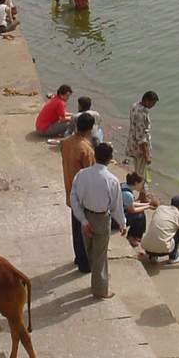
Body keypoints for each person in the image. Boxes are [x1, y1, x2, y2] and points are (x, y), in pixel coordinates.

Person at [70, 141, 126, 300]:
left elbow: (74, 198)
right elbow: (116, 206)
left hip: (85, 216)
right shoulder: (112, 180)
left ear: (94, 155)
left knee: (91, 253)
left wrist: (83, 221)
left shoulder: (82, 175)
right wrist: (122, 224)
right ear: (110, 159)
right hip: (101, 218)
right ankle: (100, 290)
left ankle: (97, 282)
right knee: (100, 255)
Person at [60, 111, 96, 272]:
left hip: (70, 191)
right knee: (85, 230)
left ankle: (78, 257)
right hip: (84, 196)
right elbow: (90, 175)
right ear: (90, 129)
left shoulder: (66, 143)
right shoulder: (86, 149)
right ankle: (84, 262)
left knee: (76, 228)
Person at [142, 196, 179, 262]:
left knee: (159, 226)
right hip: (163, 251)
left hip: (146, 247)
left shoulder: (160, 208)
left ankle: (153, 256)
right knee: (178, 229)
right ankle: (173, 257)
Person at [126, 91, 158, 179]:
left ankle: (139, 188)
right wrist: (147, 155)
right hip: (140, 149)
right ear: (147, 101)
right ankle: (140, 190)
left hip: (133, 143)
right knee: (141, 175)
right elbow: (141, 137)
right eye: (153, 103)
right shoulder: (141, 115)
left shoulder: (135, 106)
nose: (153, 106)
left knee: (137, 169)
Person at [120, 172, 153, 245]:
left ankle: (136, 236)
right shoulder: (128, 194)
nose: (142, 186)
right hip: (116, 219)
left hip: (117, 212)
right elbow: (132, 210)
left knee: (141, 212)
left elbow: (130, 204)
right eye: (141, 184)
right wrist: (148, 207)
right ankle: (133, 237)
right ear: (136, 183)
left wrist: (146, 204)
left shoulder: (123, 185)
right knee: (140, 216)